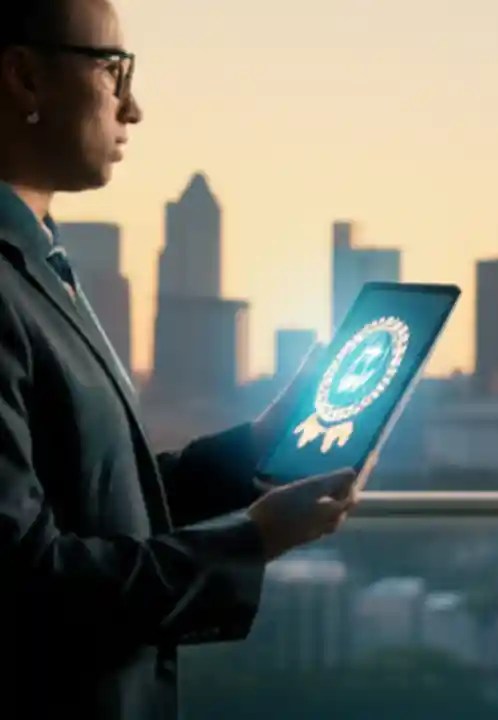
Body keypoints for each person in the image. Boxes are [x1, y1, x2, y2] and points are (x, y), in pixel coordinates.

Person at [0, 1, 361, 717]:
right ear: (25, 77)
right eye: (113, 71)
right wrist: (251, 541)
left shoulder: (39, 262)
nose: (133, 108)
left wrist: (255, 451)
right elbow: (29, 578)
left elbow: (96, 503)